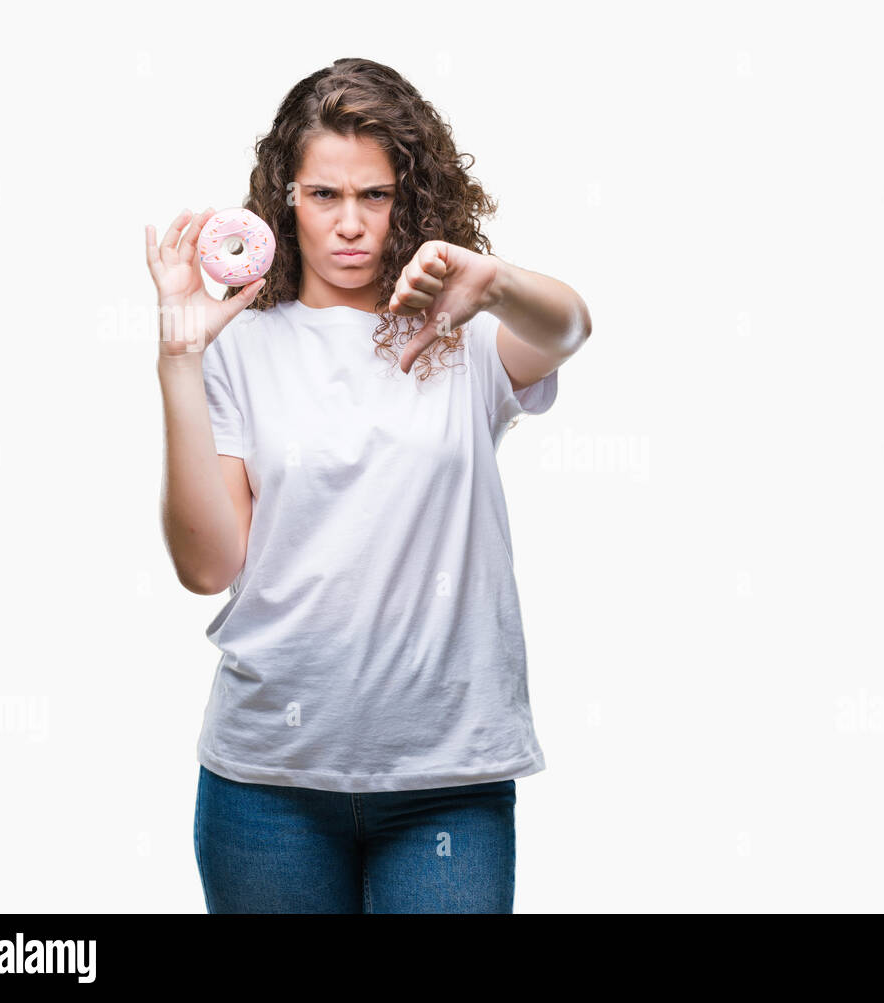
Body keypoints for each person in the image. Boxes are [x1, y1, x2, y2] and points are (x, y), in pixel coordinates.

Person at [145, 57, 591, 914]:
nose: (350, 224)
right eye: (323, 196)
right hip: (266, 784)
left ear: (408, 199)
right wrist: (179, 358)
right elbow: (206, 567)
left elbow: (571, 325)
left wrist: (491, 281)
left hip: (445, 778)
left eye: (375, 196)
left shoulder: (461, 333)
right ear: (285, 202)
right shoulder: (239, 345)